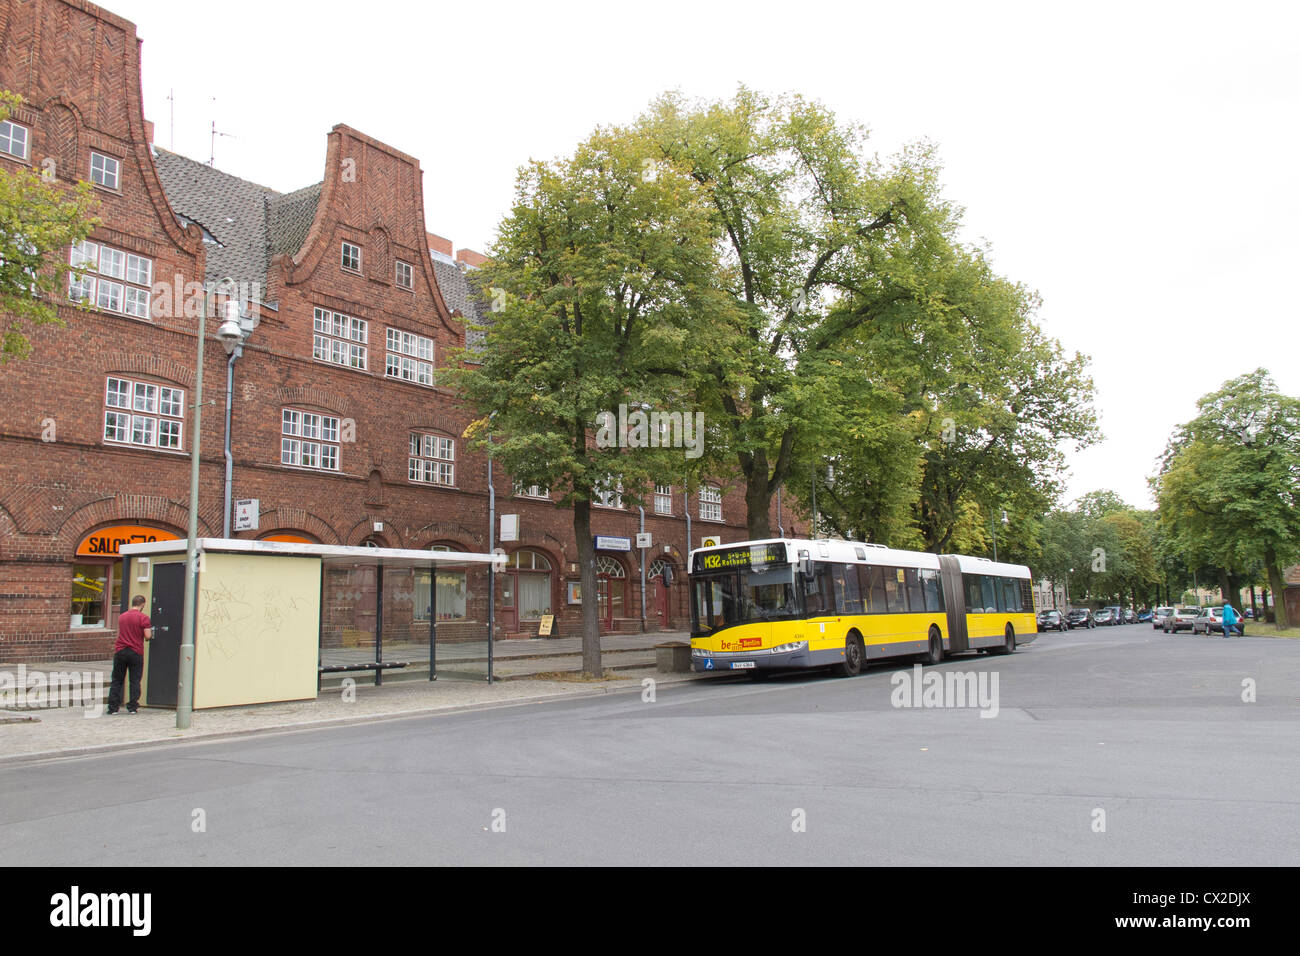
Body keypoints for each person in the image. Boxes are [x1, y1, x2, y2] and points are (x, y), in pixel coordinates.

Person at [107, 594, 153, 714]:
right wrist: (149, 635)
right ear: (142, 604)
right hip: (135, 651)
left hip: (120, 650)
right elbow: (148, 636)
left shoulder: (122, 617)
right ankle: (132, 707)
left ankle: (113, 708)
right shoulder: (143, 618)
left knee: (117, 680)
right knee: (134, 680)